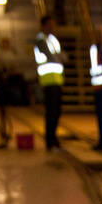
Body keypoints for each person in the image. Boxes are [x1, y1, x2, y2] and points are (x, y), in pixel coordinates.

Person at [33, 15, 64, 151]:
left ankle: (53, 139)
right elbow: (52, 57)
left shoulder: (53, 40)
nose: (53, 28)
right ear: (43, 26)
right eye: (50, 25)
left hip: (57, 80)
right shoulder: (41, 40)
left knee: (56, 112)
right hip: (48, 82)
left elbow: (63, 57)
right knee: (51, 112)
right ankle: (50, 141)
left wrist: (59, 57)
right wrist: (59, 57)